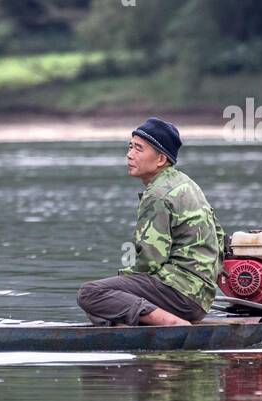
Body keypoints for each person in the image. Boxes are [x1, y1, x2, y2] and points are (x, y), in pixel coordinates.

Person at [77, 117, 225, 327]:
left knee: (91, 294)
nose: (129, 155)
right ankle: (139, 325)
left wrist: (122, 282)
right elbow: (219, 236)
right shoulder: (186, 183)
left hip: (180, 294)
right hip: (200, 297)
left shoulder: (157, 195)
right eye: (130, 147)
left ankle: (172, 323)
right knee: (107, 307)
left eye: (138, 149)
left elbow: (149, 262)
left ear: (161, 159)